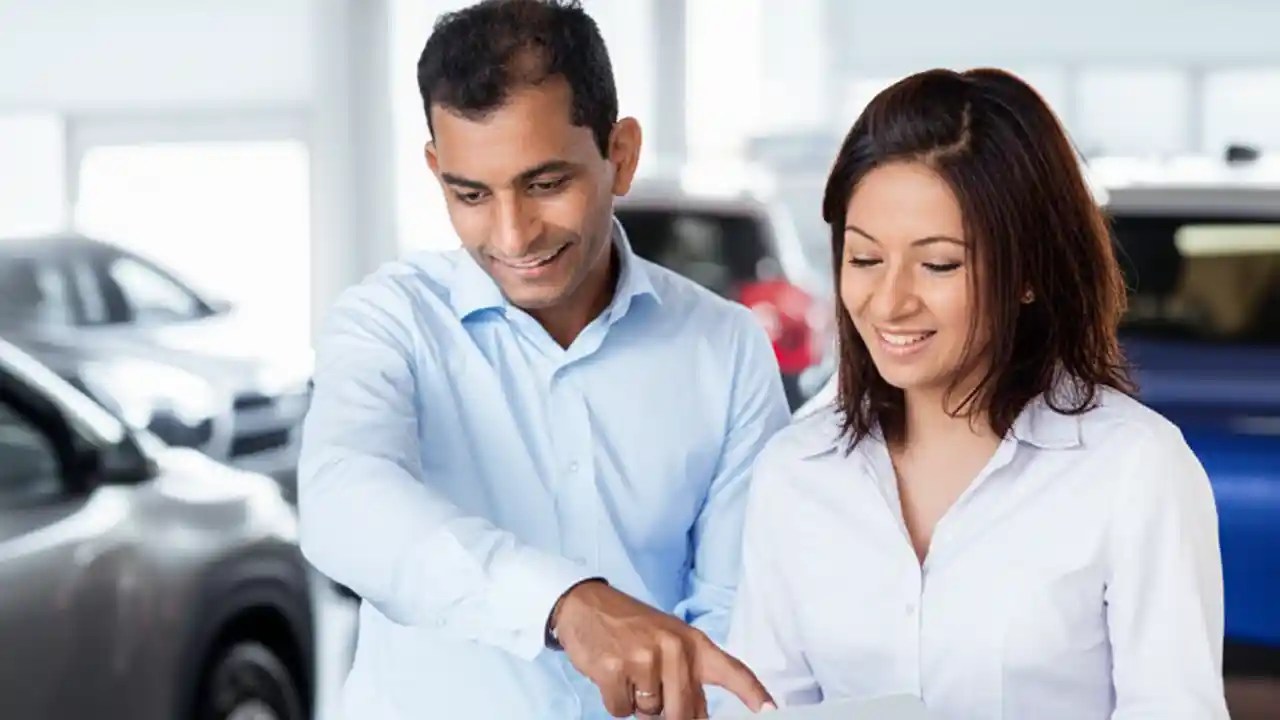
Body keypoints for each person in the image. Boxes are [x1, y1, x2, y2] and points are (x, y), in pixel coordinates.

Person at [296, 1, 789, 718]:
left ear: (620, 155)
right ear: (436, 170)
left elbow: (734, 611)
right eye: (470, 194)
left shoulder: (725, 348)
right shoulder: (388, 324)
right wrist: (564, 603)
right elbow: (344, 500)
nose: (513, 234)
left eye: (545, 184)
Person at [723, 68, 1230, 718]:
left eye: (938, 264)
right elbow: (760, 704)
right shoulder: (796, 473)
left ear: (1027, 273)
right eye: (864, 259)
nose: (890, 301)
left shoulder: (1134, 469)